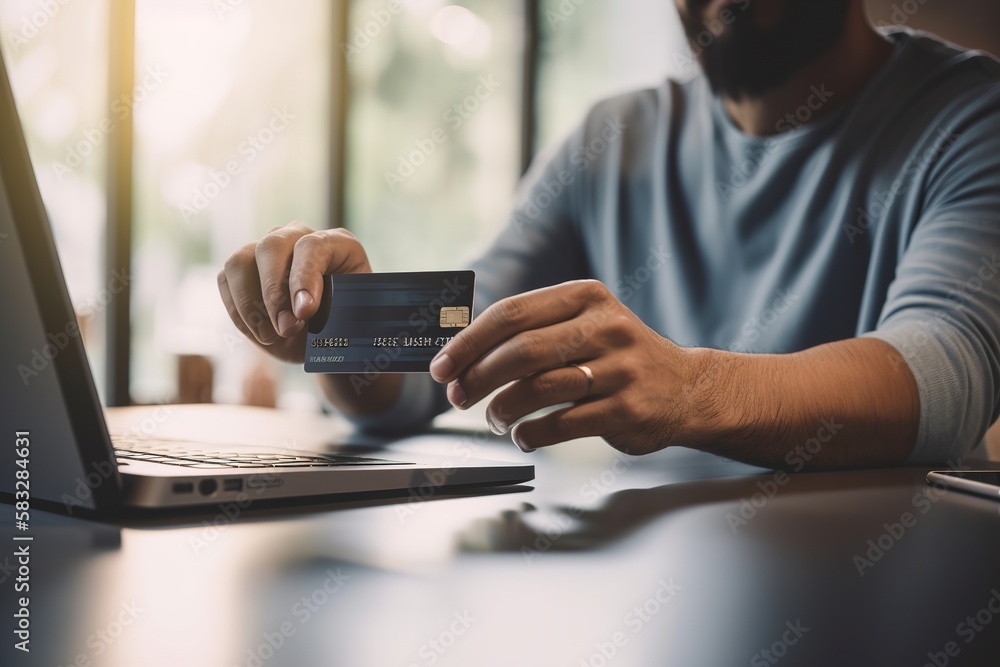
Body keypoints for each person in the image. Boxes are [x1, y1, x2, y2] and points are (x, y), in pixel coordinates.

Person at [218, 0, 1000, 470]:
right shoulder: (615, 137)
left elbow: (942, 373)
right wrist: (339, 321)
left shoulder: (972, 120)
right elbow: (452, 349)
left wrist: (689, 390)